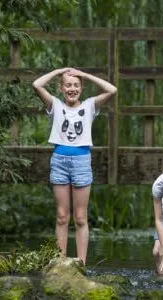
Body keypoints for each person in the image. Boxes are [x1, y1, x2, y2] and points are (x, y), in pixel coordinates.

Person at [32, 67, 117, 264]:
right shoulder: (55, 105)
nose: (72, 88)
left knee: (80, 217)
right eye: (68, 85)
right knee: (62, 216)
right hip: (59, 161)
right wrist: (58, 71)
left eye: (76, 85)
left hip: (81, 162)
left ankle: (81, 263)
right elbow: (36, 85)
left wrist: (84, 74)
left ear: (82, 88)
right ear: (61, 88)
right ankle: (60, 262)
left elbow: (111, 90)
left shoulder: (89, 106)